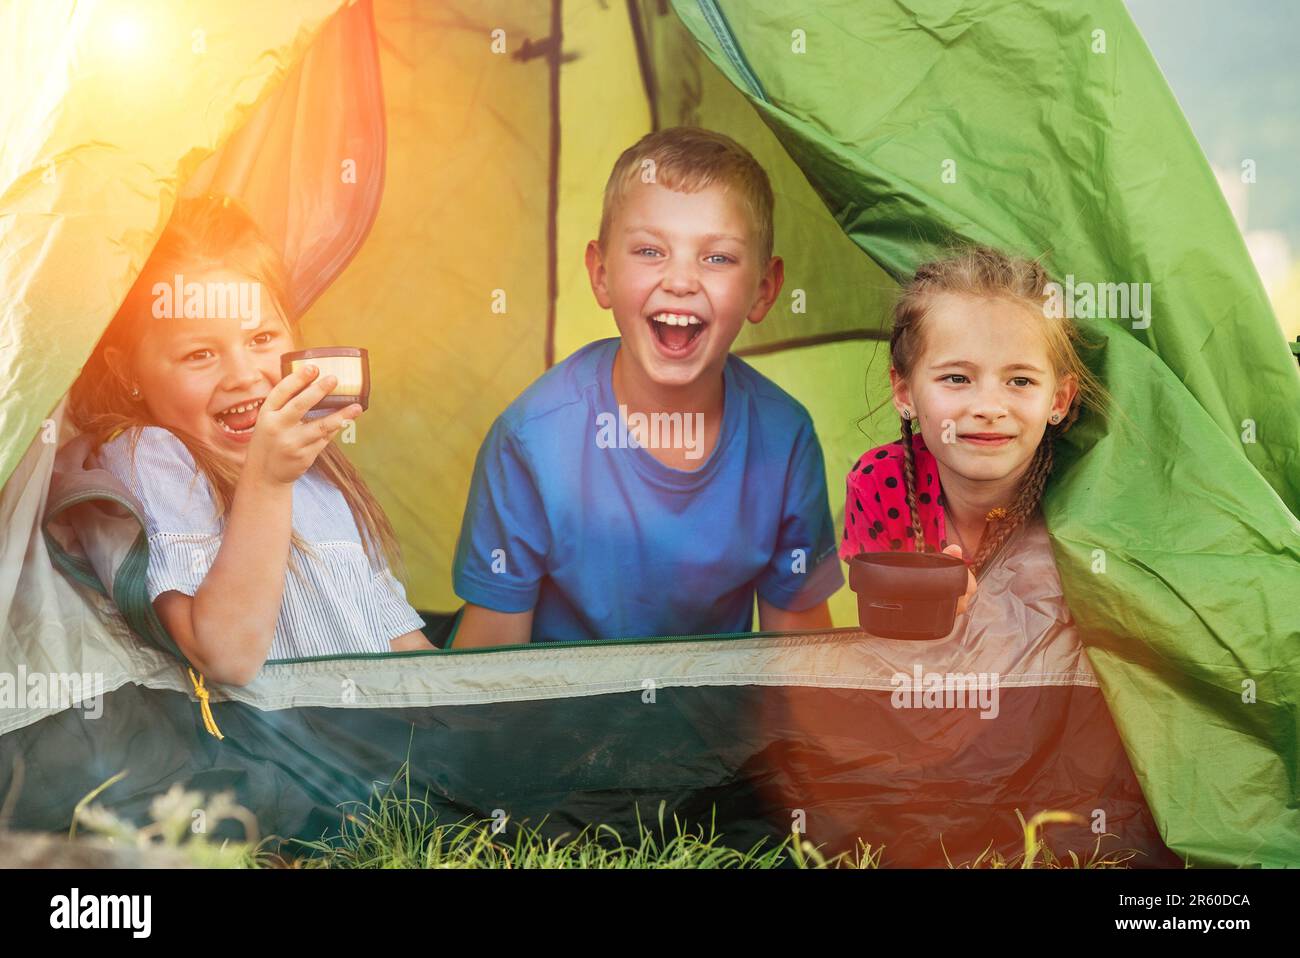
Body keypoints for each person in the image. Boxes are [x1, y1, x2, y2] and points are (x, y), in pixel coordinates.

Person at [452, 127, 844, 646]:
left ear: (764, 290)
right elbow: (489, 666)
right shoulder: (532, 441)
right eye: (650, 251)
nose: (680, 281)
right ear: (600, 275)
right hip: (556, 723)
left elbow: (798, 655)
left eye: (718, 257)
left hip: (708, 723)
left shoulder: (784, 438)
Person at [67, 194, 432, 687]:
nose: (244, 376)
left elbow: (402, 645)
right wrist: (268, 480)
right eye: (199, 354)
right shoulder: (150, 456)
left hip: (378, 751)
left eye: (262, 339)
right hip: (281, 758)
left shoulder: (315, 466)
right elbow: (227, 657)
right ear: (128, 370)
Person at [841, 245, 1110, 614]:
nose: (988, 408)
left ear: (1058, 401)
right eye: (956, 377)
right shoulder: (880, 482)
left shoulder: (1085, 489)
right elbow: (884, 624)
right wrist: (919, 605)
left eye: (1019, 381)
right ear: (904, 393)